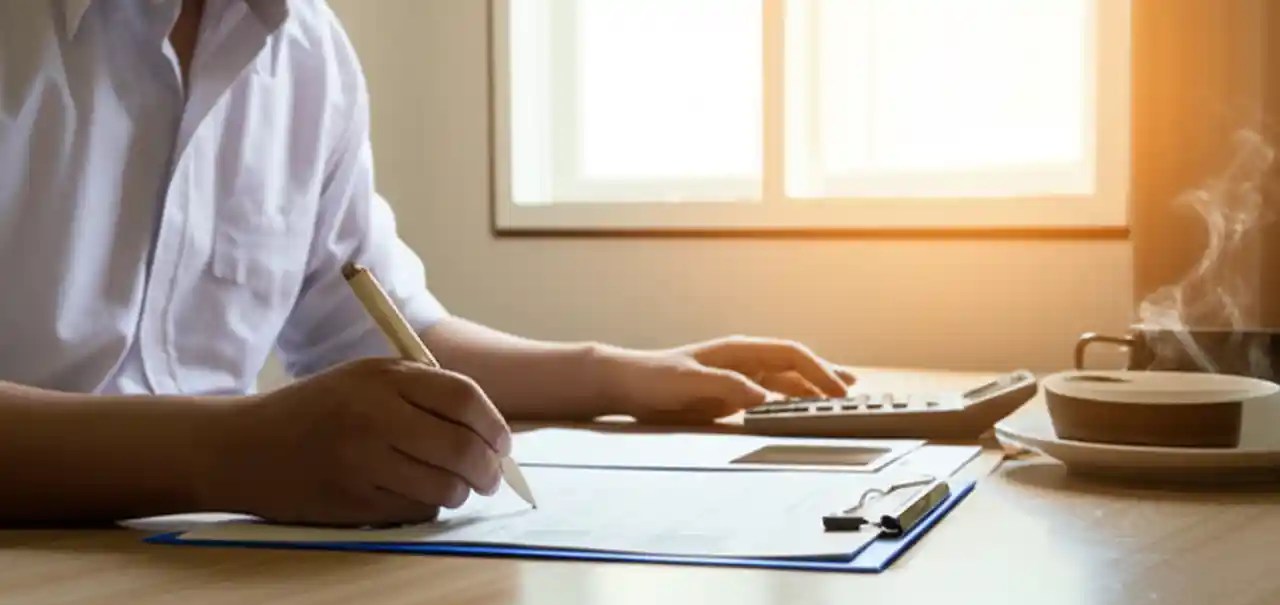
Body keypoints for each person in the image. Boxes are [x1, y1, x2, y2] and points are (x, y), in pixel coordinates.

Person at [0, 0, 854, 526]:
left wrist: (618, 376)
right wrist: (233, 451)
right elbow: (267, 433)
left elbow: (383, 337)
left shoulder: (311, 58)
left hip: (202, 581)